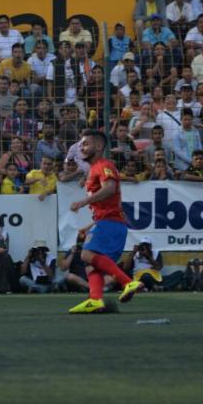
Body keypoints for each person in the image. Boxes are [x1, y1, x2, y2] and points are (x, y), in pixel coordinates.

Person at [67, 130, 143, 313]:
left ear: (99, 146)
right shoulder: (95, 168)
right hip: (108, 223)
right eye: (81, 144)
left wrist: (82, 202)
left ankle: (128, 282)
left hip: (110, 223)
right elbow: (111, 201)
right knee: (92, 264)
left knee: (86, 255)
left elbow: (110, 188)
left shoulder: (103, 165)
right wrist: (92, 224)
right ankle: (95, 299)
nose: (82, 148)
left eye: (86, 144)